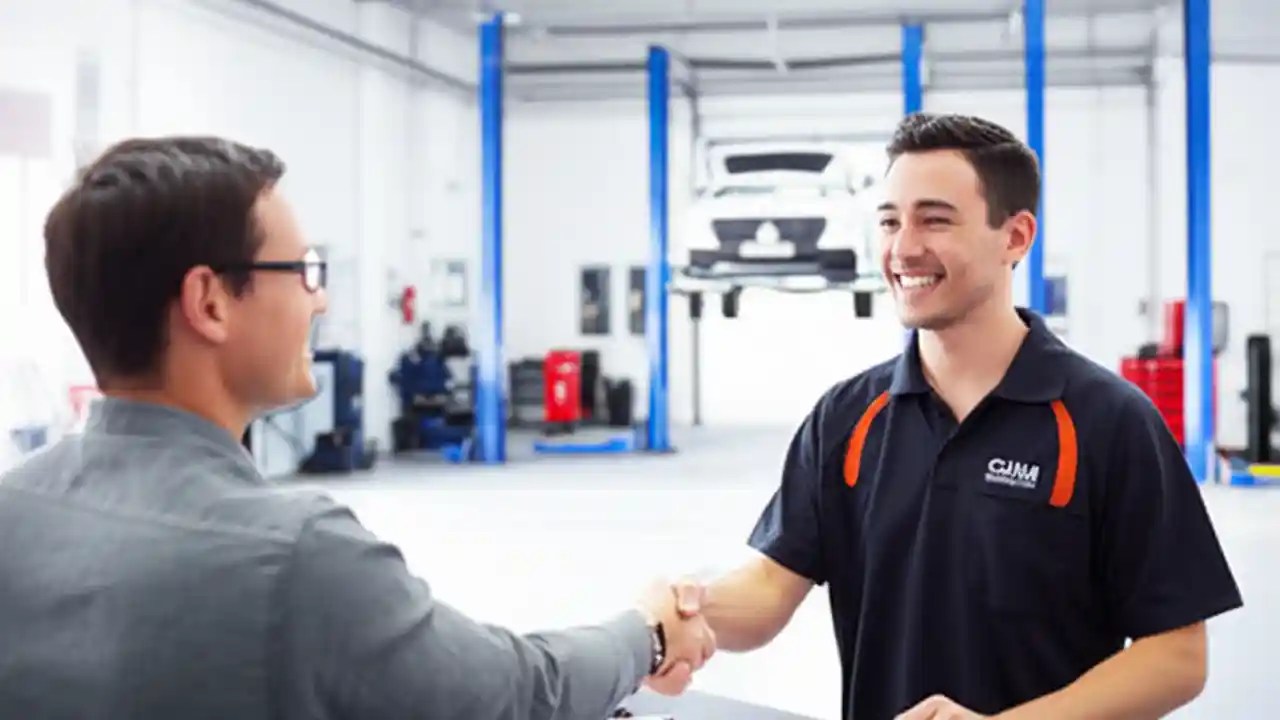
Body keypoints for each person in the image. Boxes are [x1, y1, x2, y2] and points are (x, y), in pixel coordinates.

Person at [0, 136, 715, 720]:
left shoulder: (14, 511)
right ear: (209, 302)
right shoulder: (296, 556)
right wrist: (647, 634)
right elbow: (518, 694)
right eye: (305, 271)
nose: (320, 301)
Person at [653, 113, 1243, 719]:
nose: (903, 248)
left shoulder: (1108, 422)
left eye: (934, 220)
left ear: (1015, 237)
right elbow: (769, 587)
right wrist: (684, 611)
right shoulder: (847, 419)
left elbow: (1176, 656)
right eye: (890, 221)